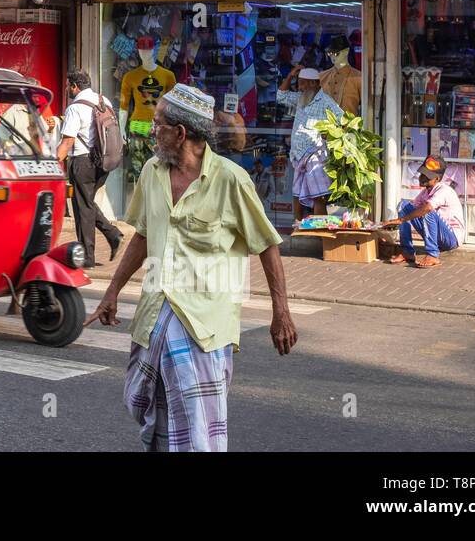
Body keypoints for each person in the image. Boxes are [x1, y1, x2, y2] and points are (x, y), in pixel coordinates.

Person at [88, 84, 297, 452]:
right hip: (155, 315)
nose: (152, 130)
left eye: (158, 124)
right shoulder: (152, 172)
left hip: (203, 325)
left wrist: (281, 313)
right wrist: (112, 291)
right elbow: (141, 236)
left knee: (198, 429)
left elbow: (267, 245)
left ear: (181, 133)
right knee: (148, 406)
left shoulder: (231, 180)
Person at [56, 69, 123, 267]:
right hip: (104, 162)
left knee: (83, 208)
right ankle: (113, 235)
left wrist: (52, 163)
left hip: (83, 162)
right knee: (86, 202)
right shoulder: (104, 101)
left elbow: (67, 142)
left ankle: (87, 257)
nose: (67, 88)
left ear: (75, 86)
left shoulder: (75, 108)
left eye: (68, 85)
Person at [277, 65, 342, 221]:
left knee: (318, 196)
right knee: (297, 193)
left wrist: (330, 134)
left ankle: (321, 233)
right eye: (299, 83)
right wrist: (290, 75)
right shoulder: (301, 98)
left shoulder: (326, 101)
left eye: (304, 83)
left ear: (314, 84)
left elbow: (342, 119)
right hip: (298, 155)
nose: (300, 87)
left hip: (315, 154)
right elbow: (281, 96)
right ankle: (298, 227)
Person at [386, 154, 462, 268]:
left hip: (451, 239)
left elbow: (427, 208)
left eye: (427, 176)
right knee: (403, 206)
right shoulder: (425, 192)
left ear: (437, 179)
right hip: (437, 236)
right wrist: (392, 222)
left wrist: (402, 219)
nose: (422, 177)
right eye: (422, 174)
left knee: (427, 211)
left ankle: (432, 254)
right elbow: (411, 208)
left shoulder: (444, 191)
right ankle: (407, 251)